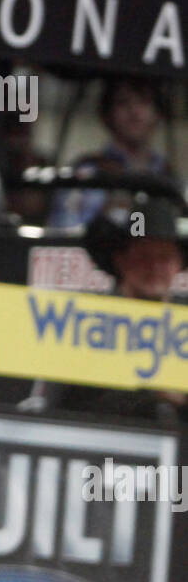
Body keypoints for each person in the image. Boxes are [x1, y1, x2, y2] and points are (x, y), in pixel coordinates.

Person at [26, 197, 188, 424]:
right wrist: (147, 393)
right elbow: (57, 401)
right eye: (144, 256)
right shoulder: (86, 319)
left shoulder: (184, 322)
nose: (154, 267)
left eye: (164, 257)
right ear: (121, 260)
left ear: (179, 264)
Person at [47, 78, 176, 230]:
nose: (134, 112)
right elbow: (62, 235)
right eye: (123, 102)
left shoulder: (169, 174)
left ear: (158, 114)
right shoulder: (85, 174)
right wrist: (108, 215)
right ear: (107, 114)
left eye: (144, 102)